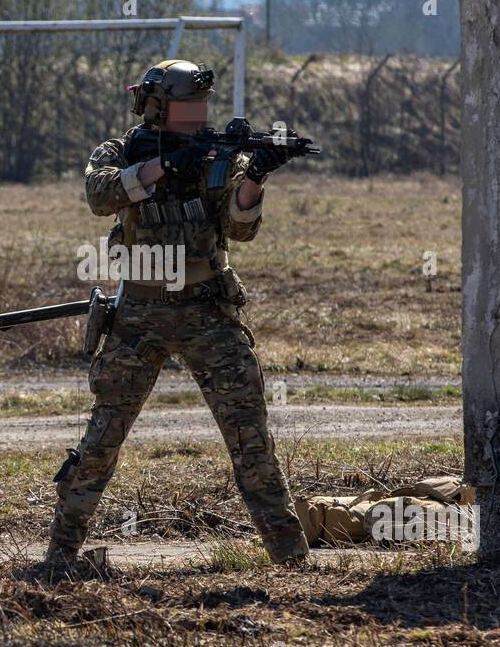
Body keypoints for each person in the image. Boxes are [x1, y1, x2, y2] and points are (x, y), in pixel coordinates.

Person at [46, 59, 310, 574]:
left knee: (249, 436)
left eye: (203, 106)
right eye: (190, 106)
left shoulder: (217, 156)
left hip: (206, 309)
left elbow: (240, 228)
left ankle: (291, 559)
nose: (200, 115)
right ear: (158, 106)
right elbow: (100, 195)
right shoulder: (123, 150)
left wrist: (255, 175)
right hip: (138, 311)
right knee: (102, 440)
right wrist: (166, 166)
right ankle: (59, 556)